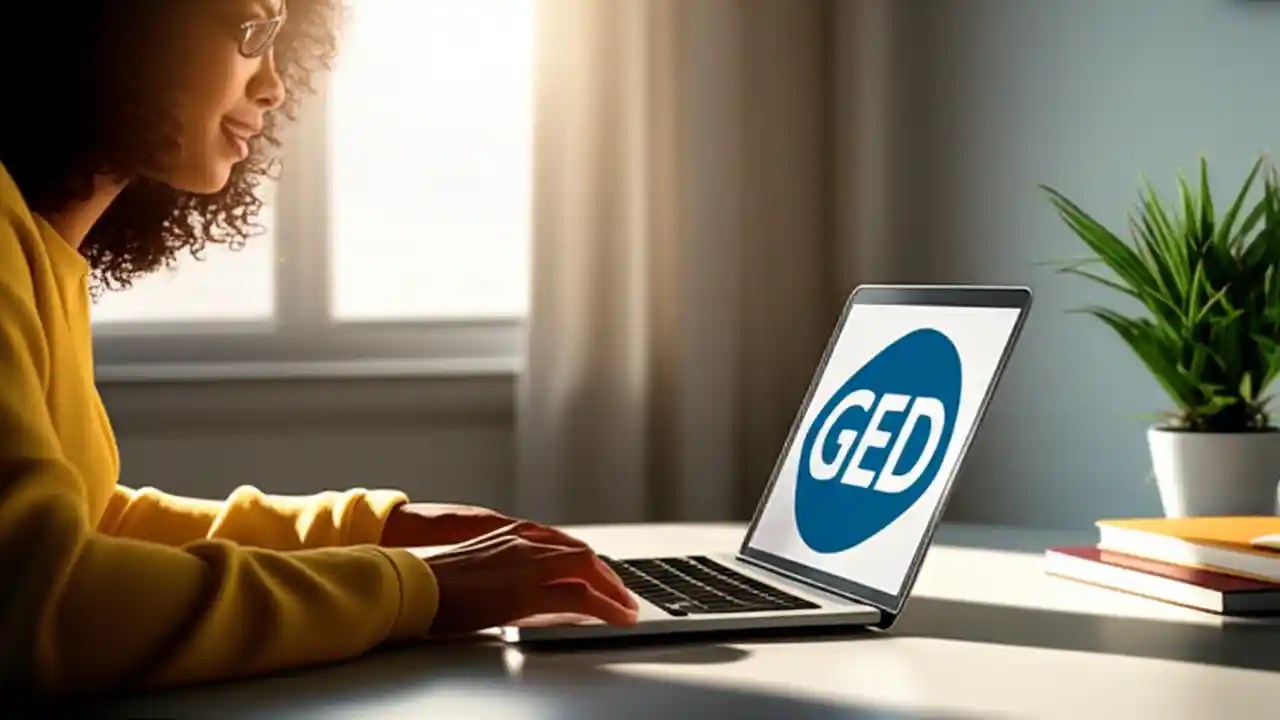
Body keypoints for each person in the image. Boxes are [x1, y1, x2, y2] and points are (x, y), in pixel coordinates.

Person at [0, 0, 637, 694]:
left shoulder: (37, 249)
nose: (272, 83)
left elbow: (94, 522)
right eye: (252, 29)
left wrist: (375, 527)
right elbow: (52, 598)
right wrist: (417, 588)